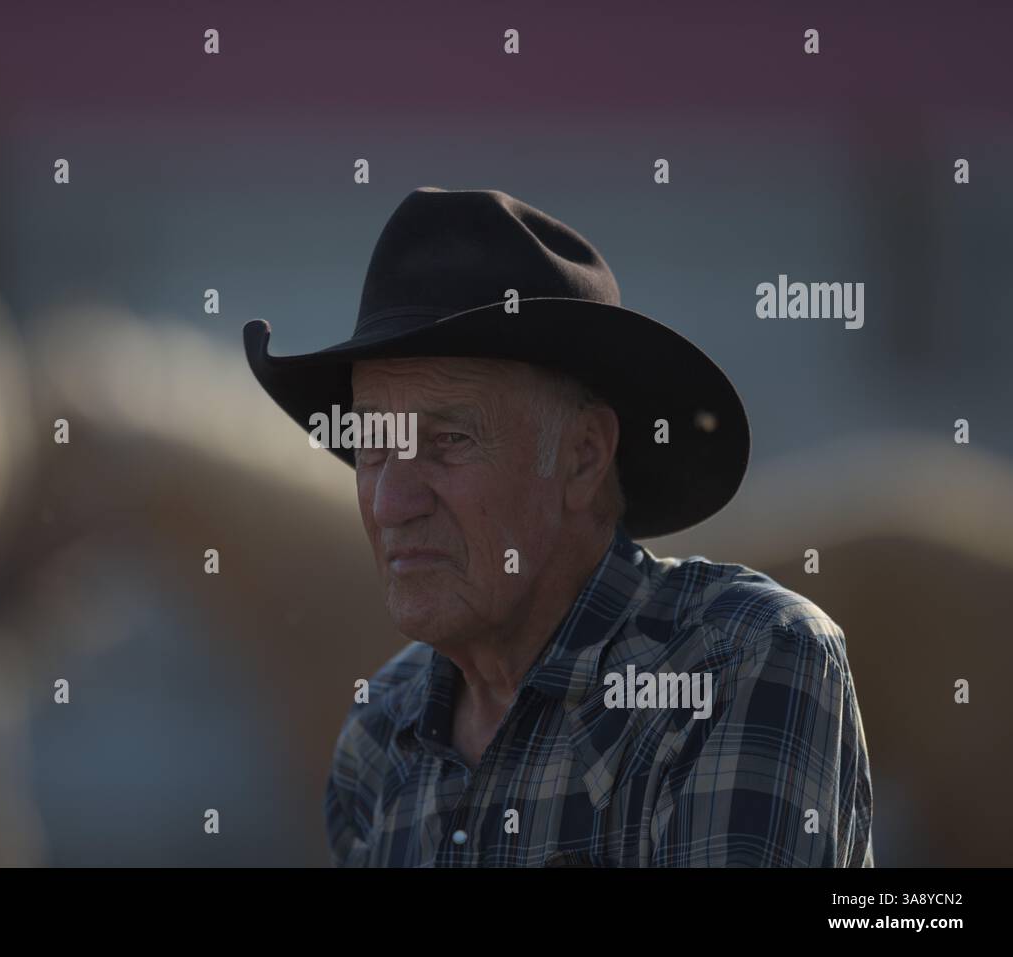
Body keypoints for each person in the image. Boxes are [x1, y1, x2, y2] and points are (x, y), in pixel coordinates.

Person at [243, 186, 873, 867]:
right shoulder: (379, 739)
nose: (391, 502)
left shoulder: (742, 665)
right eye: (371, 445)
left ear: (583, 456)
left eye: (449, 438)